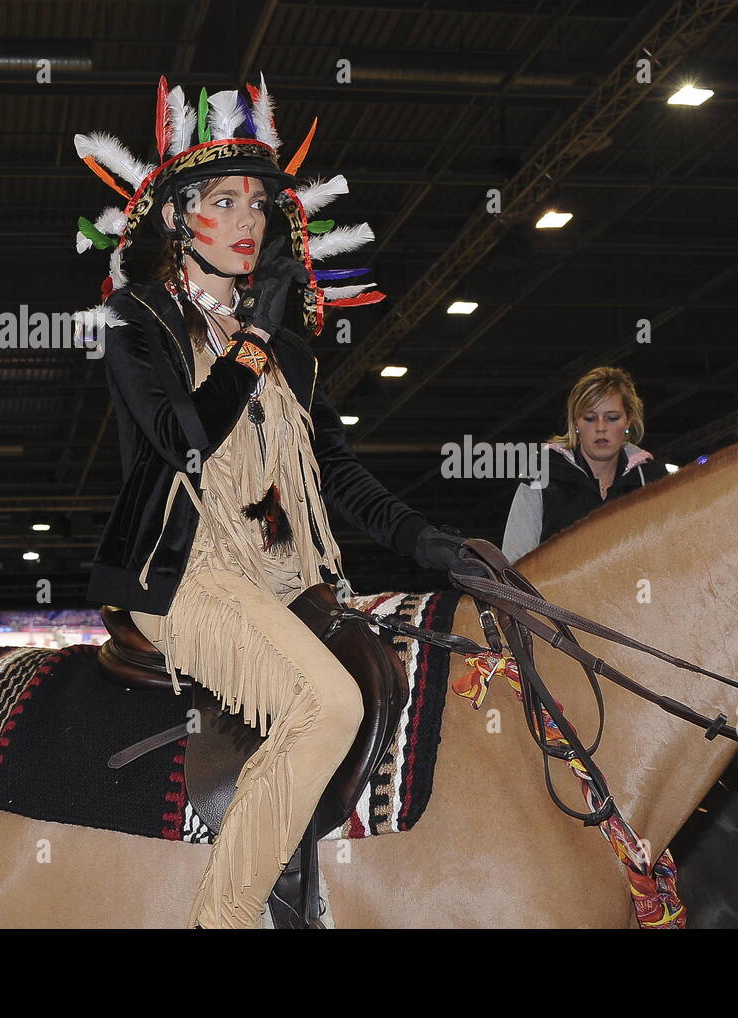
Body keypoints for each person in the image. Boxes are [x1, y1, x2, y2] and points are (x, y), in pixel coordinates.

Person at [73, 75, 468, 928]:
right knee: (327, 705)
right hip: (181, 578)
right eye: (224, 201)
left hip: (286, 573)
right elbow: (186, 438)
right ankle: (224, 918)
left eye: (259, 204)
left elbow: (338, 474)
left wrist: (430, 540)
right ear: (178, 220)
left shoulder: (287, 347)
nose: (250, 220)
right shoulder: (134, 320)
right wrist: (253, 340)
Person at [501, 366, 653, 561]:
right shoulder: (541, 476)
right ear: (575, 424)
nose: (600, 428)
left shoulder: (649, 480)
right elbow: (513, 563)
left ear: (628, 422)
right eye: (590, 418)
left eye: (612, 418)